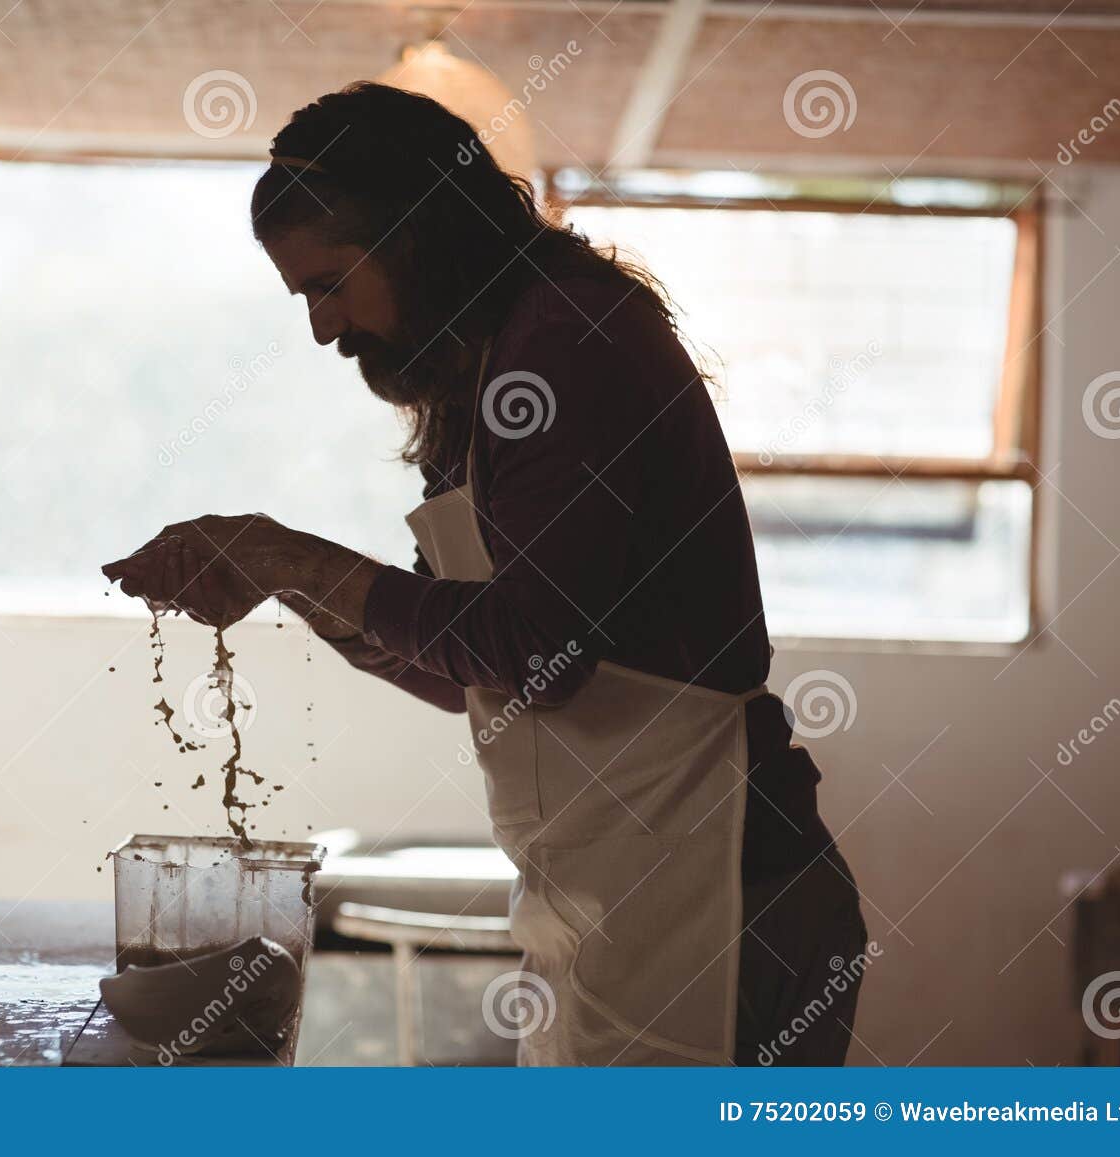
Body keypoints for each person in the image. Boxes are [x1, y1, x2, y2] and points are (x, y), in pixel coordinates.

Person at [102, 83, 868, 1066]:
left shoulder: (563, 346)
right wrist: (292, 589)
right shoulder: (484, 377)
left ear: (417, 236)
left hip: (723, 891)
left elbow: (537, 652)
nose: (324, 331)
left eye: (331, 283)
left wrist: (288, 554)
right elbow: (479, 674)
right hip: (605, 902)